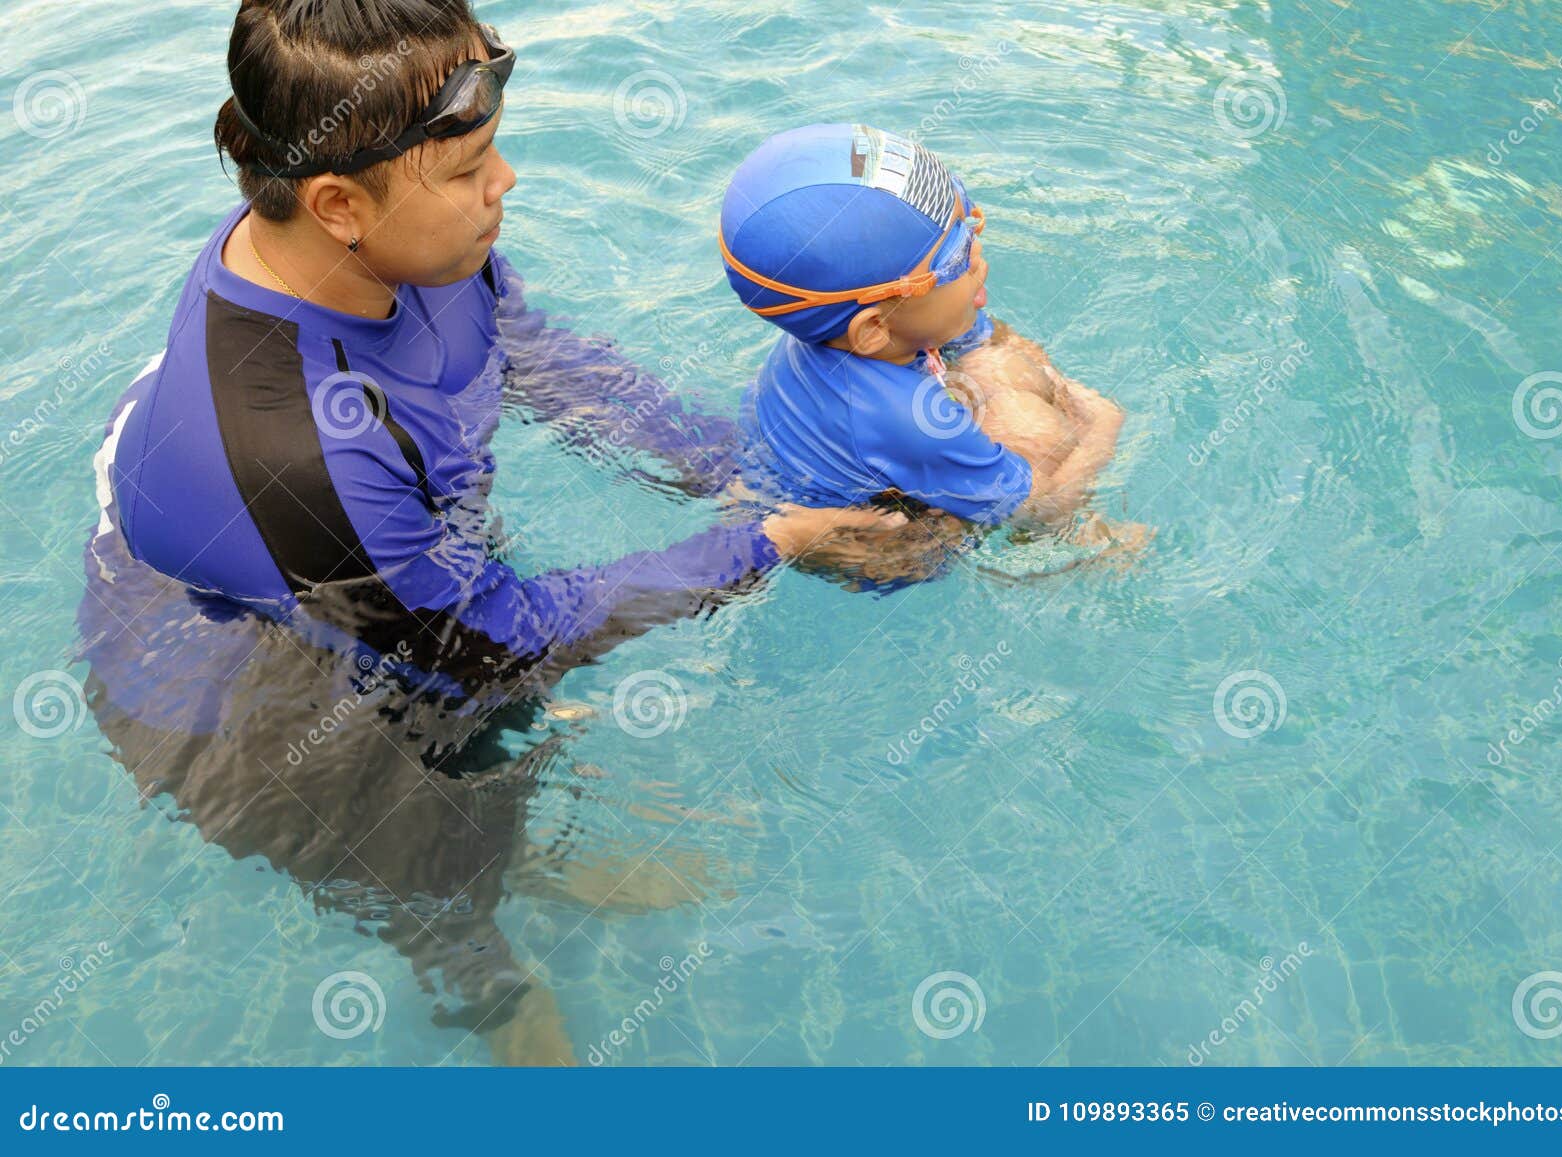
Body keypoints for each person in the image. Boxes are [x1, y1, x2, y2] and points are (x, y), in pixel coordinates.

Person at [82, 0, 912, 1065]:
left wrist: (748, 475)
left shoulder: (388, 246)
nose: (505, 182)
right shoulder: (292, 451)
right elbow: (481, 641)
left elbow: (532, 353)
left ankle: (525, 859)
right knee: (417, 846)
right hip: (226, 681)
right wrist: (770, 542)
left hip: (378, 570)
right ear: (337, 201)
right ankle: (479, 978)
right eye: (471, 165)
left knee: (479, 724)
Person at [719, 123, 1136, 536]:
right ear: (874, 328)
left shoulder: (876, 327)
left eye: (969, 225)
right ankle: (786, 539)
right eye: (955, 259)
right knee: (928, 544)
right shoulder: (904, 418)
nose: (977, 253)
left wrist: (1047, 386)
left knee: (1005, 371)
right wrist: (1102, 427)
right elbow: (1037, 509)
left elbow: (994, 339)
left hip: (784, 453)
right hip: (842, 519)